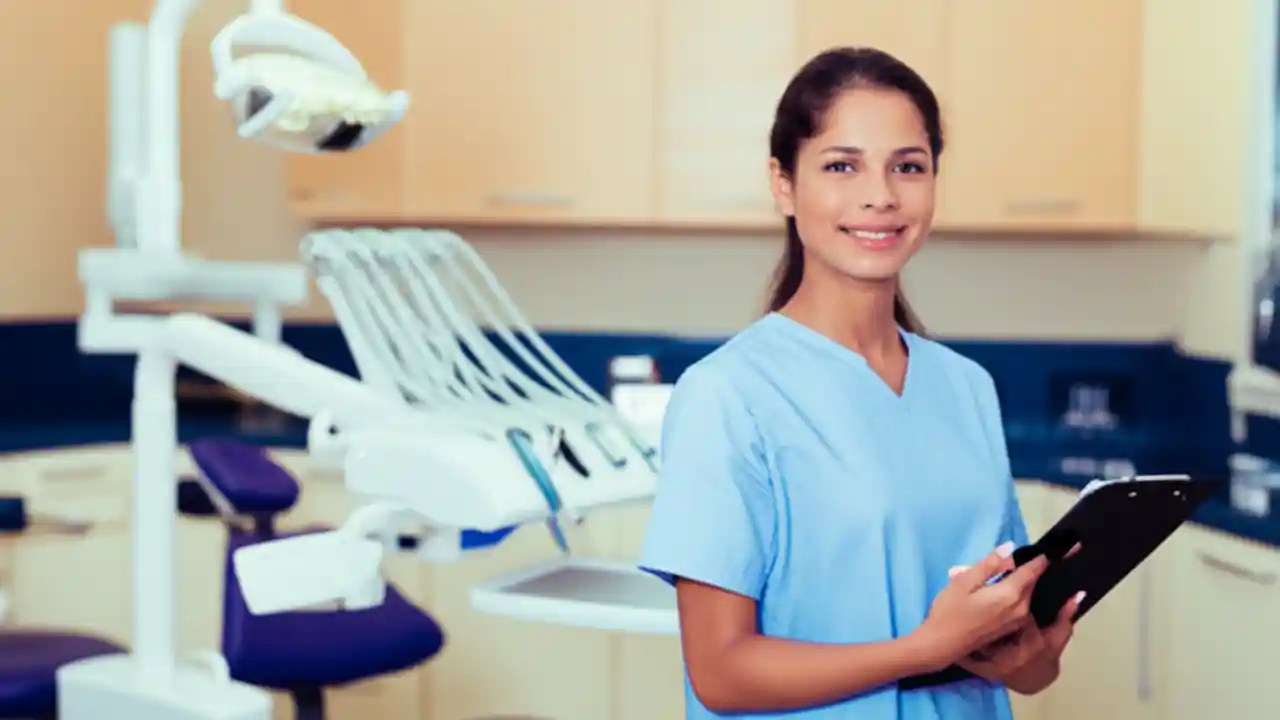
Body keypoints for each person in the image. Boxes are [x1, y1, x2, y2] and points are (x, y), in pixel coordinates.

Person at [636, 46, 1083, 719]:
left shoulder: (966, 388)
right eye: (842, 166)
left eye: (908, 167)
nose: (880, 195)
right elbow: (721, 673)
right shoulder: (728, 395)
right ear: (783, 184)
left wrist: (1032, 658)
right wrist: (923, 648)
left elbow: (1020, 665)